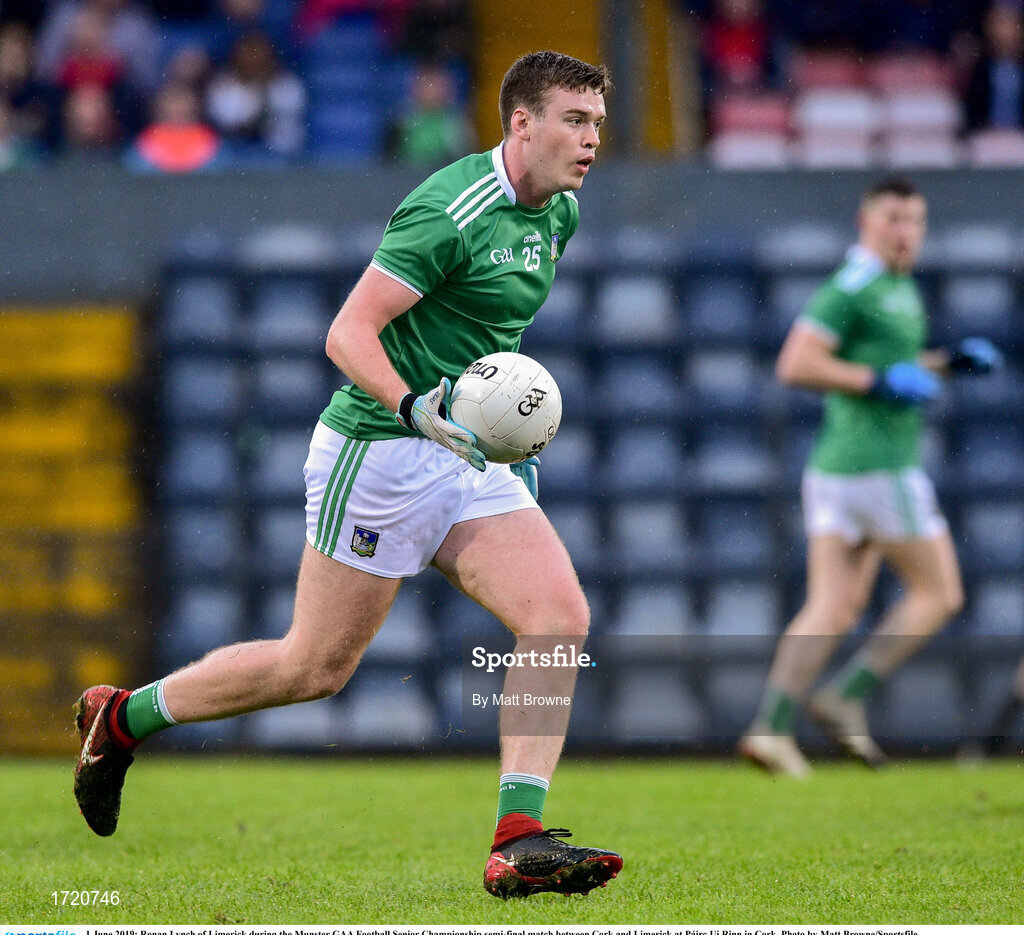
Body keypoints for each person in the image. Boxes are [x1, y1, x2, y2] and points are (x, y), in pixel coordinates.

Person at [73, 49, 623, 900]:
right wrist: (414, 409)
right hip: (379, 447)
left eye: (597, 120)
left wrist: (508, 439)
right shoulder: (450, 209)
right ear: (523, 123)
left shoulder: (558, 215)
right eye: (575, 120)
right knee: (314, 667)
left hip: (464, 453)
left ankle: (518, 837)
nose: (593, 138)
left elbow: (492, 340)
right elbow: (347, 334)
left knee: (558, 616)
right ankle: (124, 715)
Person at [738, 176, 1004, 777]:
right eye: (893, 219)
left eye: (914, 220)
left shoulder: (894, 287)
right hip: (880, 468)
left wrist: (945, 362)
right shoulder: (855, 285)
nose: (905, 231)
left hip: (836, 468)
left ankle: (771, 729)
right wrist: (880, 383)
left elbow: (885, 364)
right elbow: (797, 363)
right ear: (866, 222)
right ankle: (845, 695)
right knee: (940, 594)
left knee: (832, 606)